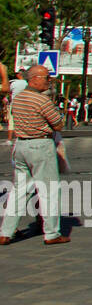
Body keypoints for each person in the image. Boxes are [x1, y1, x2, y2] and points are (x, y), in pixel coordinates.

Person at [0, 64, 70, 245]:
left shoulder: (19, 98)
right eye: (46, 77)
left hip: (21, 145)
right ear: (34, 79)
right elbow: (58, 125)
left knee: (19, 191)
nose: (49, 81)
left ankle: (5, 232)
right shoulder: (42, 101)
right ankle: (52, 233)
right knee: (49, 191)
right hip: (40, 145)